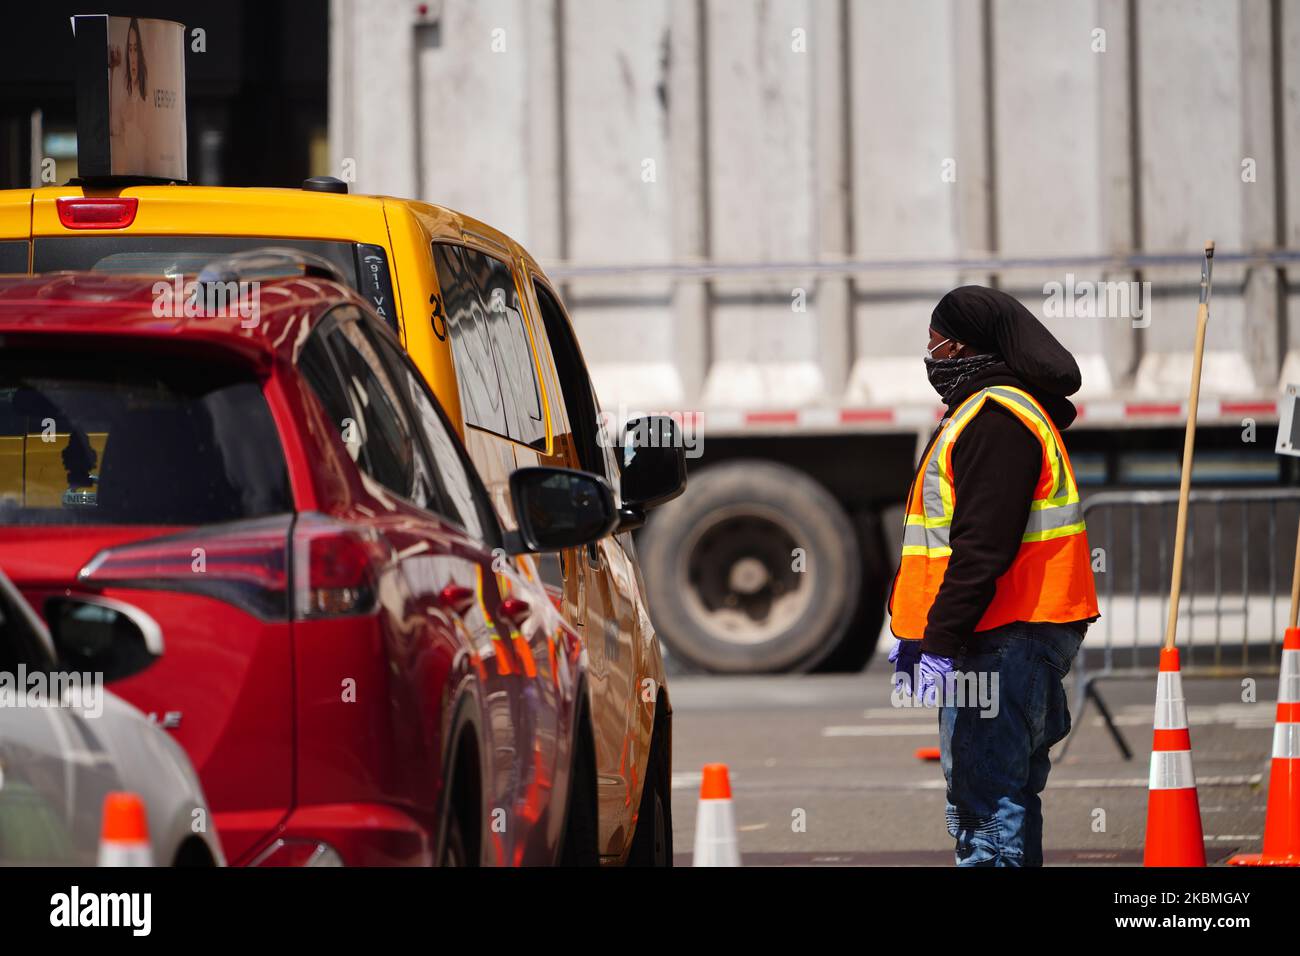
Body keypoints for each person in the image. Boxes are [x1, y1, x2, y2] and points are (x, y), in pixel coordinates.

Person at [887, 285, 1099, 866]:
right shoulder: (994, 413)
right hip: (1007, 635)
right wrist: (921, 631)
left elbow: (982, 549)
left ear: (960, 347)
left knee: (985, 810)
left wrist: (942, 641)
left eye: (935, 343)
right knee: (1003, 797)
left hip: (1001, 638)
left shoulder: (996, 420)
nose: (930, 356)